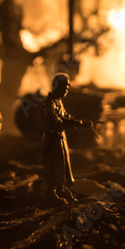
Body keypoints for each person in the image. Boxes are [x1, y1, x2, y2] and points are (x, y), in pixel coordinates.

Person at [42, 73, 90, 203]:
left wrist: (81, 123)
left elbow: (66, 116)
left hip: (60, 138)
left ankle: (60, 188)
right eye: (65, 87)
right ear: (58, 86)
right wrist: (74, 123)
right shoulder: (49, 102)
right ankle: (51, 192)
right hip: (52, 139)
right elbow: (53, 119)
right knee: (54, 165)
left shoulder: (59, 101)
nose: (66, 91)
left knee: (62, 165)